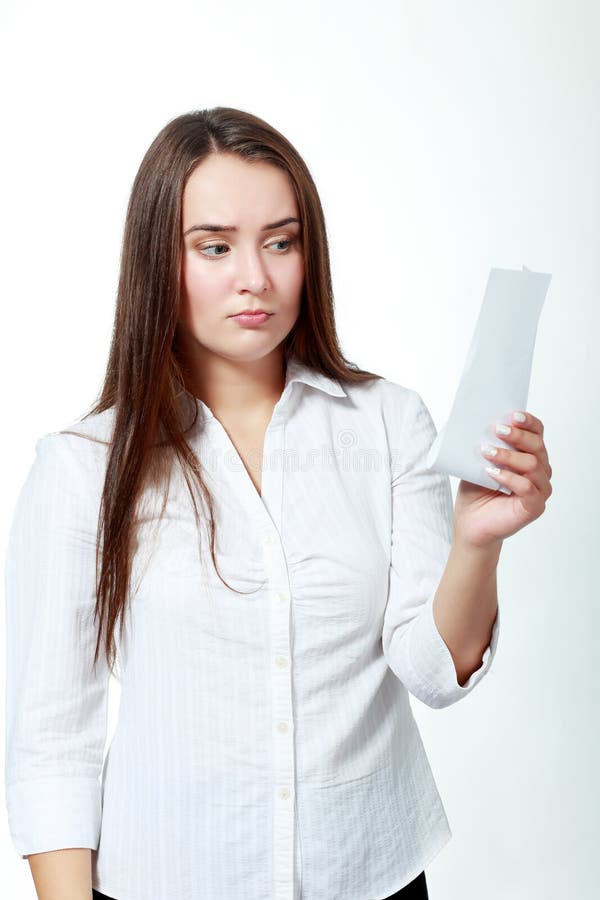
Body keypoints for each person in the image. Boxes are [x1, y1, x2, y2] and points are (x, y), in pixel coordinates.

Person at [4, 107, 553, 900]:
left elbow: (432, 671)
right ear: (160, 259)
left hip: (372, 876)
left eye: (281, 241)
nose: (254, 277)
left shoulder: (390, 423)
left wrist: (478, 541)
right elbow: (51, 741)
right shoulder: (82, 466)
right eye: (215, 246)